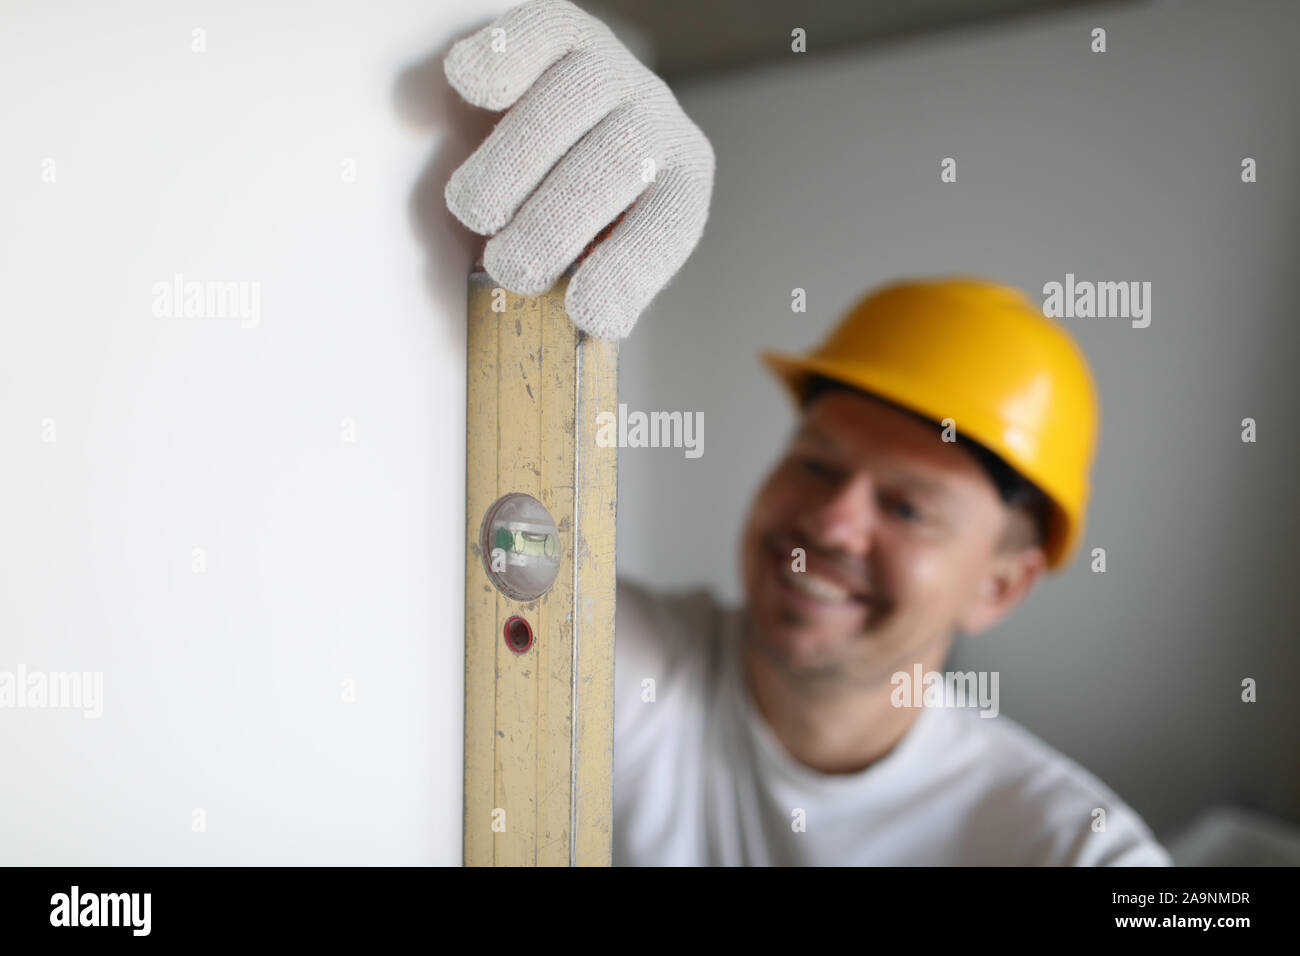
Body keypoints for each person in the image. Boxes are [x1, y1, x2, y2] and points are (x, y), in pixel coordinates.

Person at [443, 0, 1171, 866]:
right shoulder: (633, 664)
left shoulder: (1071, 848)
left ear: (1000, 587)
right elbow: (428, 564)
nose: (831, 523)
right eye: (818, 465)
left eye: (906, 509)